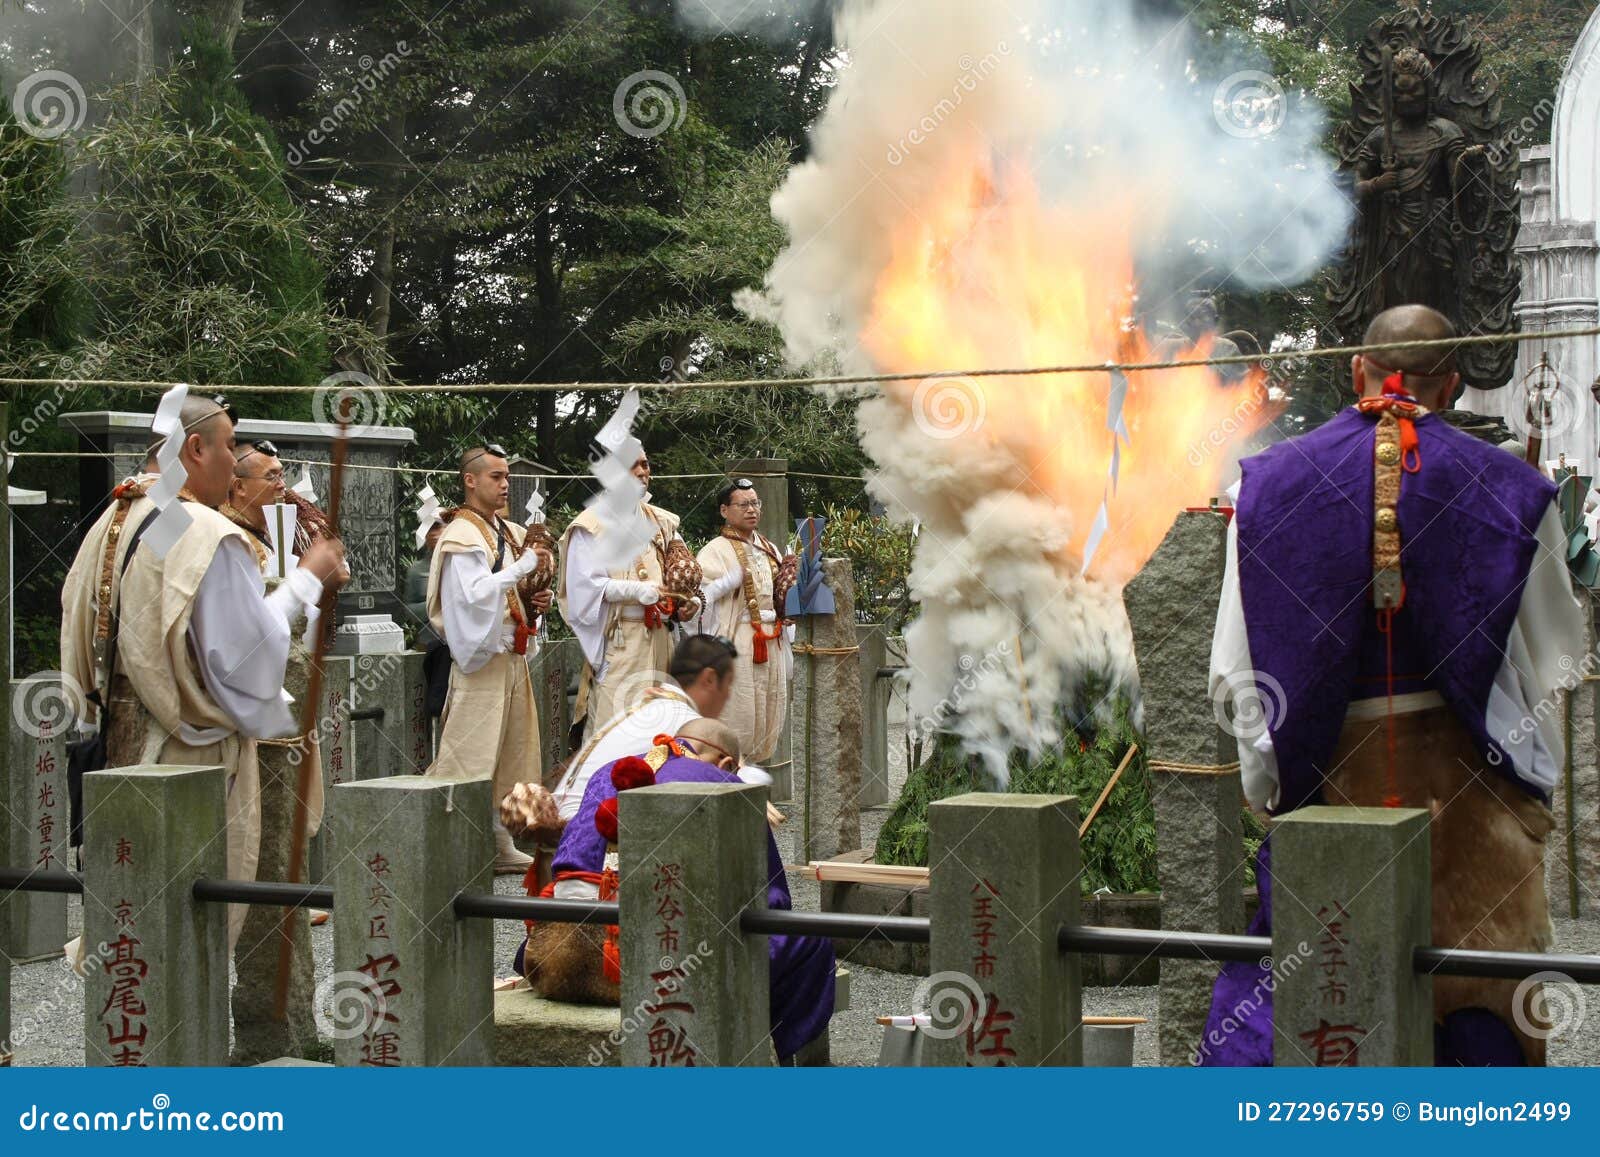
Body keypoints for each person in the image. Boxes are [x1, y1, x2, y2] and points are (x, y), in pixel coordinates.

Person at [1201, 305, 1585, 1067]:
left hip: (1330, 782)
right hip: (1470, 798)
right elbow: (1554, 656)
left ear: (1356, 371)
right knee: (1477, 1010)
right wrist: (1525, 776)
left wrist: (1274, 779)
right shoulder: (1512, 488)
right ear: (1450, 386)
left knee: (1318, 1004)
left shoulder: (1268, 488)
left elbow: (1237, 675)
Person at [111, 395, 347, 951]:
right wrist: (308, 577)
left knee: (134, 921)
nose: (231, 459)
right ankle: (189, 1036)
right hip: (190, 753)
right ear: (196, 448)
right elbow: (244, 652)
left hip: (121, 740)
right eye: (227, 448)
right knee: (191, 928)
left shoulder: (131, 516)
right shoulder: (202, 530)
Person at [519, 716, 835, 1063]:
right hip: (654, 968)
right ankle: (798, 1062)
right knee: (808, 937)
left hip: (558, 961)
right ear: (727, 763)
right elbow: (769, 896)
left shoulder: (610, 769)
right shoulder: (722, 781)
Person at [425, 444, 554, 873]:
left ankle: (500, 842)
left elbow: (515, 589)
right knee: (468, 754)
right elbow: (474, 594)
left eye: (506, 478)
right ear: (470, 480)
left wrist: (538, 598)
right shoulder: (461, 533)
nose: (504, 485)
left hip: (512, 654)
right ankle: (445, 844)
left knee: (512, 752)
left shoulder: (511, 531)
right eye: (496, 477)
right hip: (481, 657)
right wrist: (521, 571)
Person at [557, 451, 701, 739]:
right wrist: (638, 591)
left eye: (645, 464)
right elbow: (584, 587)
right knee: (617, 728)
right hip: (624, 638)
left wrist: (690, 603)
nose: (641, 471)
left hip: (663, 637)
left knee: (663, 730)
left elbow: (683, 576)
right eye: (630, 465)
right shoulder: (591, 524)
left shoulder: (661, 521)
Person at [545, 633, 747, 822]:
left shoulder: (656, 706)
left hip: (564, 821)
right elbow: (712, 782)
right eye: (728, 684)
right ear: (710, 679)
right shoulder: (685, 720)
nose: (729, 695)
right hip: (584, 830)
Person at [695, 479, 798, 762]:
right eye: (744, 504)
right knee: (738, 710)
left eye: (755, 503)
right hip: (736, 638)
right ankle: (730, 775)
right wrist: (729, 582)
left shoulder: (770, 548)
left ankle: (754, 779)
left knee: (768, 708)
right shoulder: (714, 550)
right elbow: (697, 601)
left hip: (772, 638)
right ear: (725, 511)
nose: (752, 510)